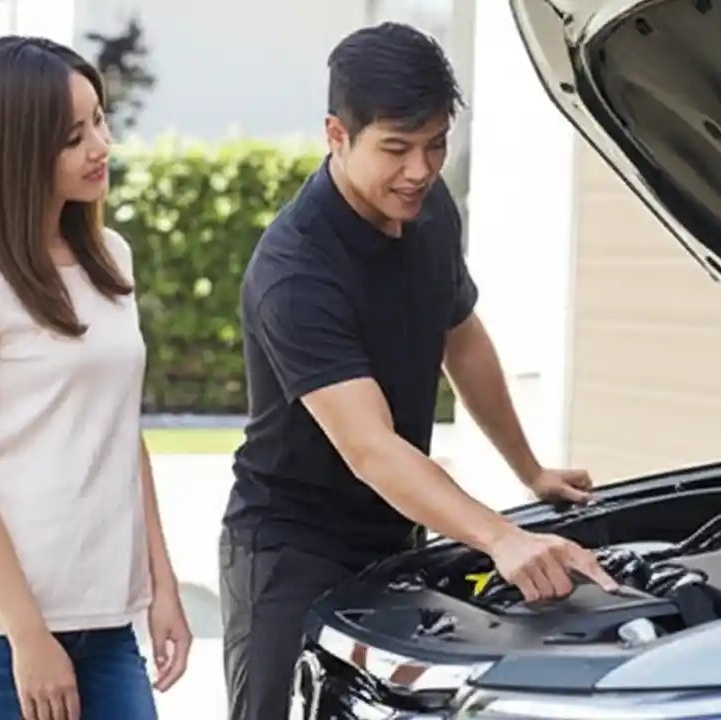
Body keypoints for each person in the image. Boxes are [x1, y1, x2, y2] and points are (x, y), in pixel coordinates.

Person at [218, 22, 618, 720]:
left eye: (435, 144)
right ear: (336, 135)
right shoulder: (295, 272)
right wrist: (499, 535)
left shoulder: (430, 211)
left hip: (395, 534)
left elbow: (460, 340)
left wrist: (529, 470)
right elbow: (371, 449)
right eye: (396, 149)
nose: (420, 169)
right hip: (289, 550)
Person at [0, 35, 191, 720]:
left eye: (98, 120)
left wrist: (162, 586)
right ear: (13, 146)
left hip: (106, 622)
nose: (101, 145)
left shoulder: (108, 259)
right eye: (73, 135)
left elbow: (122, 433)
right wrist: (27, 637)